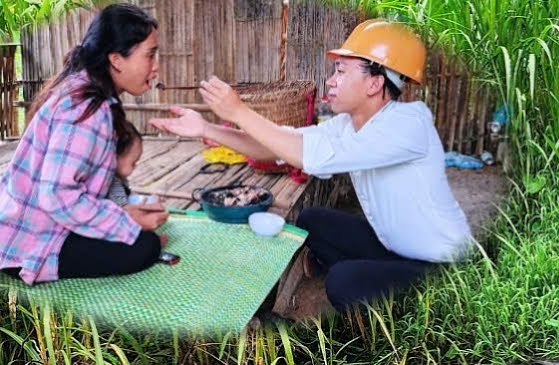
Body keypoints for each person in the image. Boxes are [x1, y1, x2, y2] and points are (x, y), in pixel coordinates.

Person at [150, 19, 473, 309]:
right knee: (313, 219)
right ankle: (372, 277)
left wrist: (237, 111)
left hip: (441, 266)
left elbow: (303, 154)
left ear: (375, 83)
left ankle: (401, 304)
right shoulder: (347, 124)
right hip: (392, 244)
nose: (331, 81)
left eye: (341, 72)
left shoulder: (406, 124)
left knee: (342, 282)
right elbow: (275, 145)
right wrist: (206, 128)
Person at [0, 3, 167, 284]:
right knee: (145, 246)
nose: (156, 65)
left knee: (139, 236)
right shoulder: (86, 108)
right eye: (150, 55)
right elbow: (56, 195)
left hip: (25, 223)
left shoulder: (82, 88)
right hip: (28, 243)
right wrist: (127, 222)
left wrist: (123, 213)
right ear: (116, 59)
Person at [107, 121, 144, 205]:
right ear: (115, 157)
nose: (135, 167)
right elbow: (124, 209)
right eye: (133, 162)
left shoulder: (120, 179)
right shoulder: (113, 184)